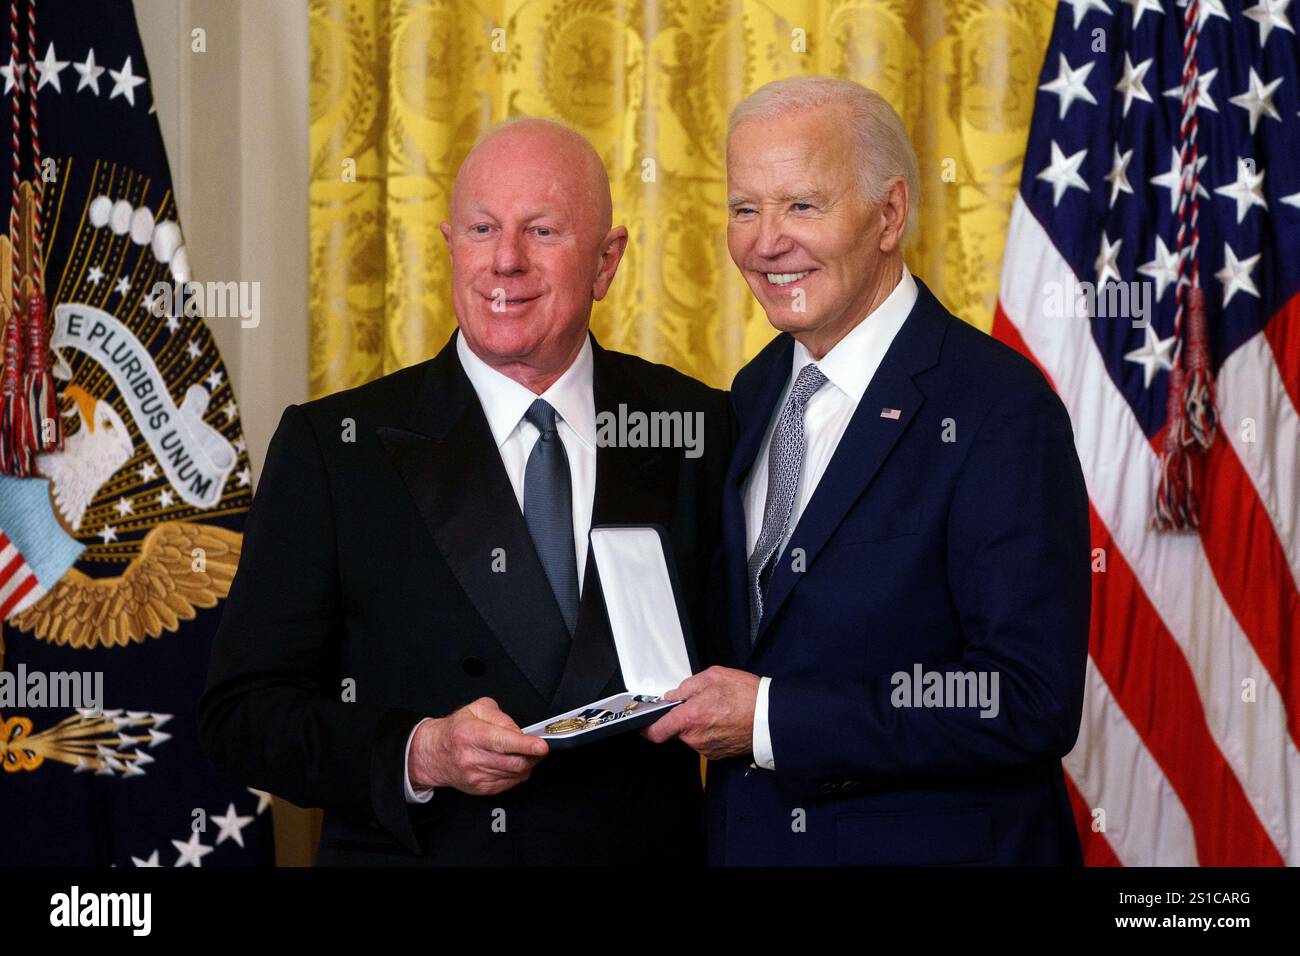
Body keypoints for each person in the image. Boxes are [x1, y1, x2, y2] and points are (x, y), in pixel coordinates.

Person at [199, 117, 729, 865]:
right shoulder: (335, 448)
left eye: (542, 231)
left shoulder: (695, 427)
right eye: (482, 229)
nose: (504, 262)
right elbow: (242, 716)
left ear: (607, 262)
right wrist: (420, 753)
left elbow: (754, 668)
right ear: (451, 247)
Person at [645, 76, 1092, 866]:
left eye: (802, 206)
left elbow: (1026, 698)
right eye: (745, 208)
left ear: (890, 215)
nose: (765, 241)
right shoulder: (753, 393)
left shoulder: (997, 406)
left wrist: (774, 718)